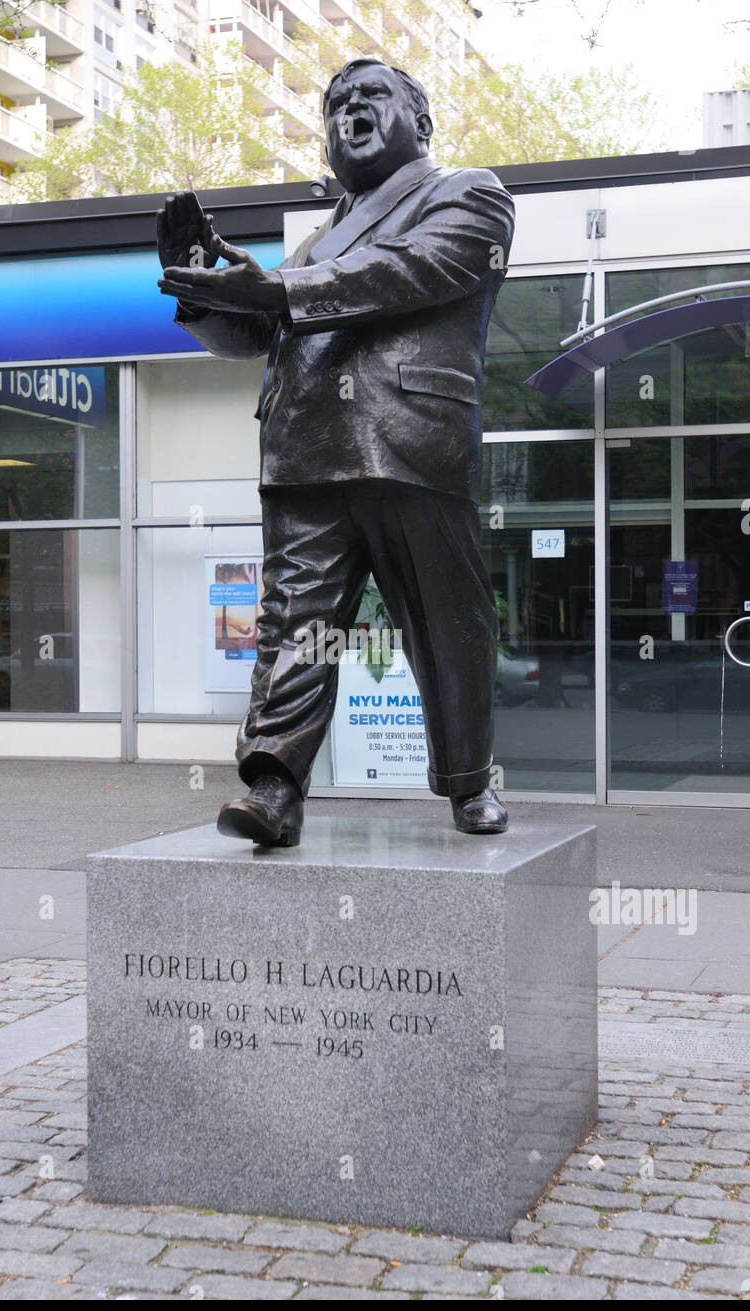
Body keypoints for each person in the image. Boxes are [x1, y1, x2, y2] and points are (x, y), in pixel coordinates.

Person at [158, 57, 515, 847]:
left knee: (446, 624)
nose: (348, 112)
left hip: (409, 443)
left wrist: (275, 290)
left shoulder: (466, 193)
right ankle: (273, 788)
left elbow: (411, 271)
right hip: (304, 452)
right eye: (335, 104)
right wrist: (199, 288)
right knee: (294, 626)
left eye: (369, 97)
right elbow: (253, 332)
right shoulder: (320, 240)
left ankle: (466, 782)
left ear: (419, 121)